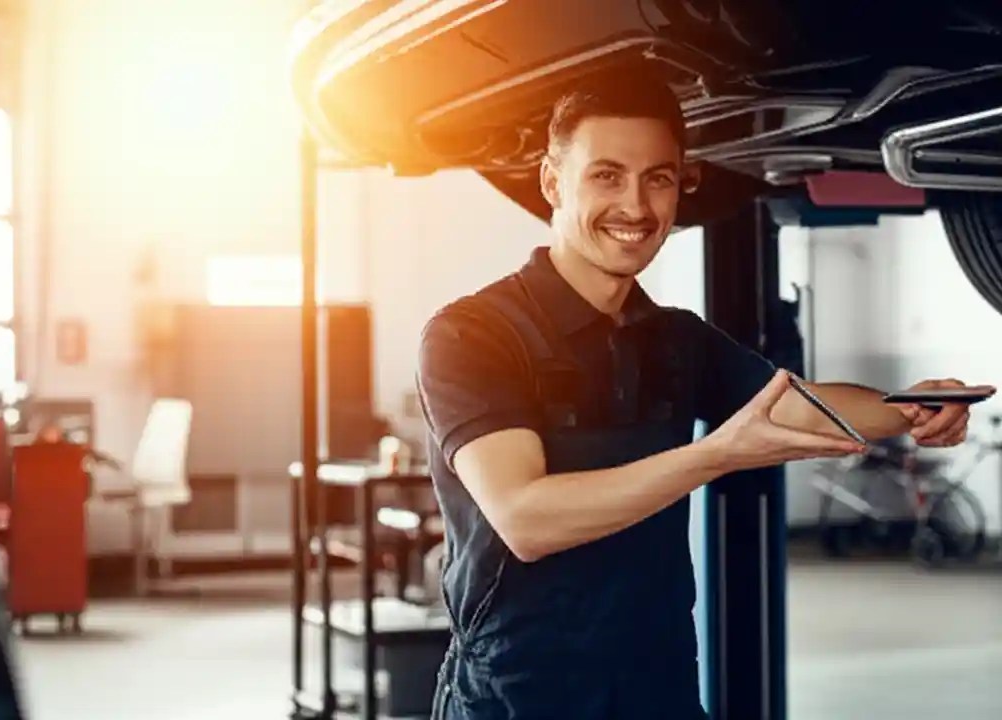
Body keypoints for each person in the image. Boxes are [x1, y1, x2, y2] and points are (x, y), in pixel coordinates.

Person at [415, 69, 992, 720]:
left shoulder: (674, 338)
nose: (635, 206)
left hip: (656, 687)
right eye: (606, 175)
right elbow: (525, 519)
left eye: (657, 178)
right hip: (519, 696)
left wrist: (909, 409)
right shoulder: (473, 335)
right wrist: (715, 455)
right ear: (552, 181)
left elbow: (795, 405)